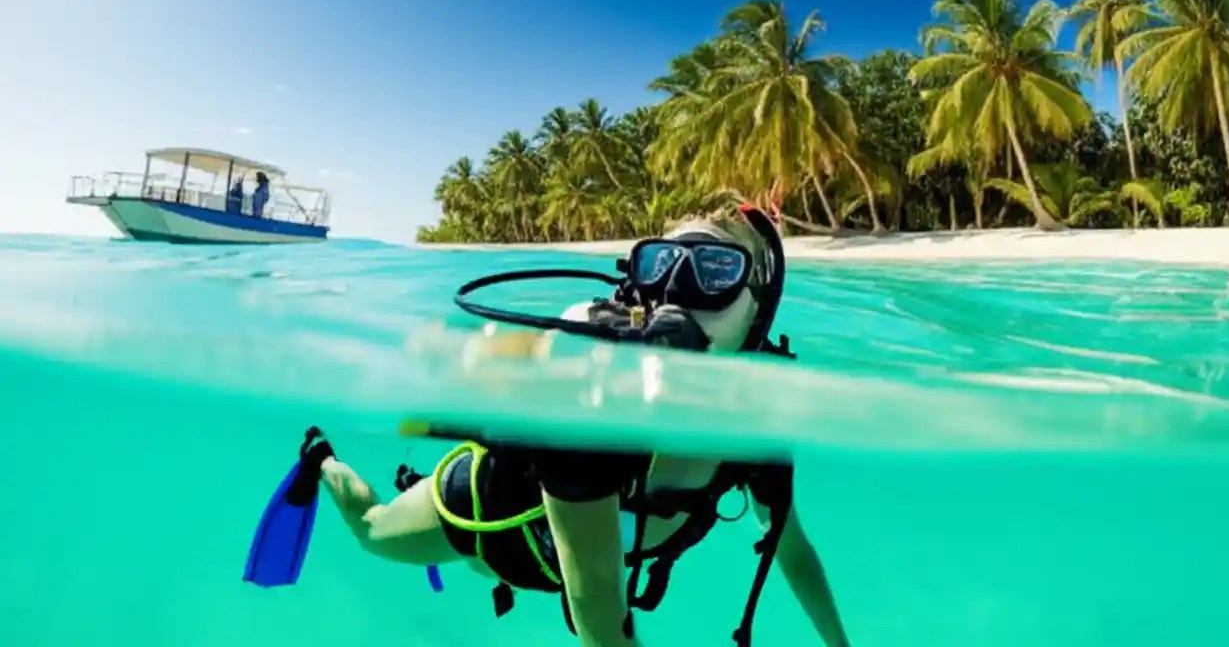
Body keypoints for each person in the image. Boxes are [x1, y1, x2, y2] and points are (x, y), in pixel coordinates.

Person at [252, 205, 851, 647]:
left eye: (716, 269)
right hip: (482, 519)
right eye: (661, 264)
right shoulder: (592, 409)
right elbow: (600, 624)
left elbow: (792, 552)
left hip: (569, 560)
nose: (676, 289)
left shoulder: (757, 433)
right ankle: (322, 459)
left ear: (758, 309)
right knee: (373, 532)